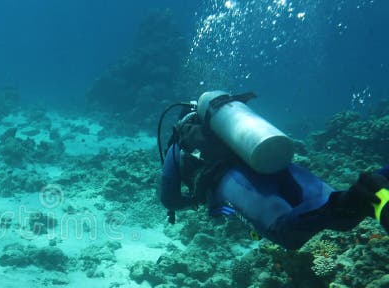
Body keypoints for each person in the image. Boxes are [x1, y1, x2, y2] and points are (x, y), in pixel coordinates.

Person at [158, 90, 389, 250]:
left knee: (285, 232)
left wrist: (194, 200)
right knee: (339, 208)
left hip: (233, 181)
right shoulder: (236, 127)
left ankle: (366, 191)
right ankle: (375, 182)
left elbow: (169, 199)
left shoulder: (180, 142)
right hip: (274, 160)